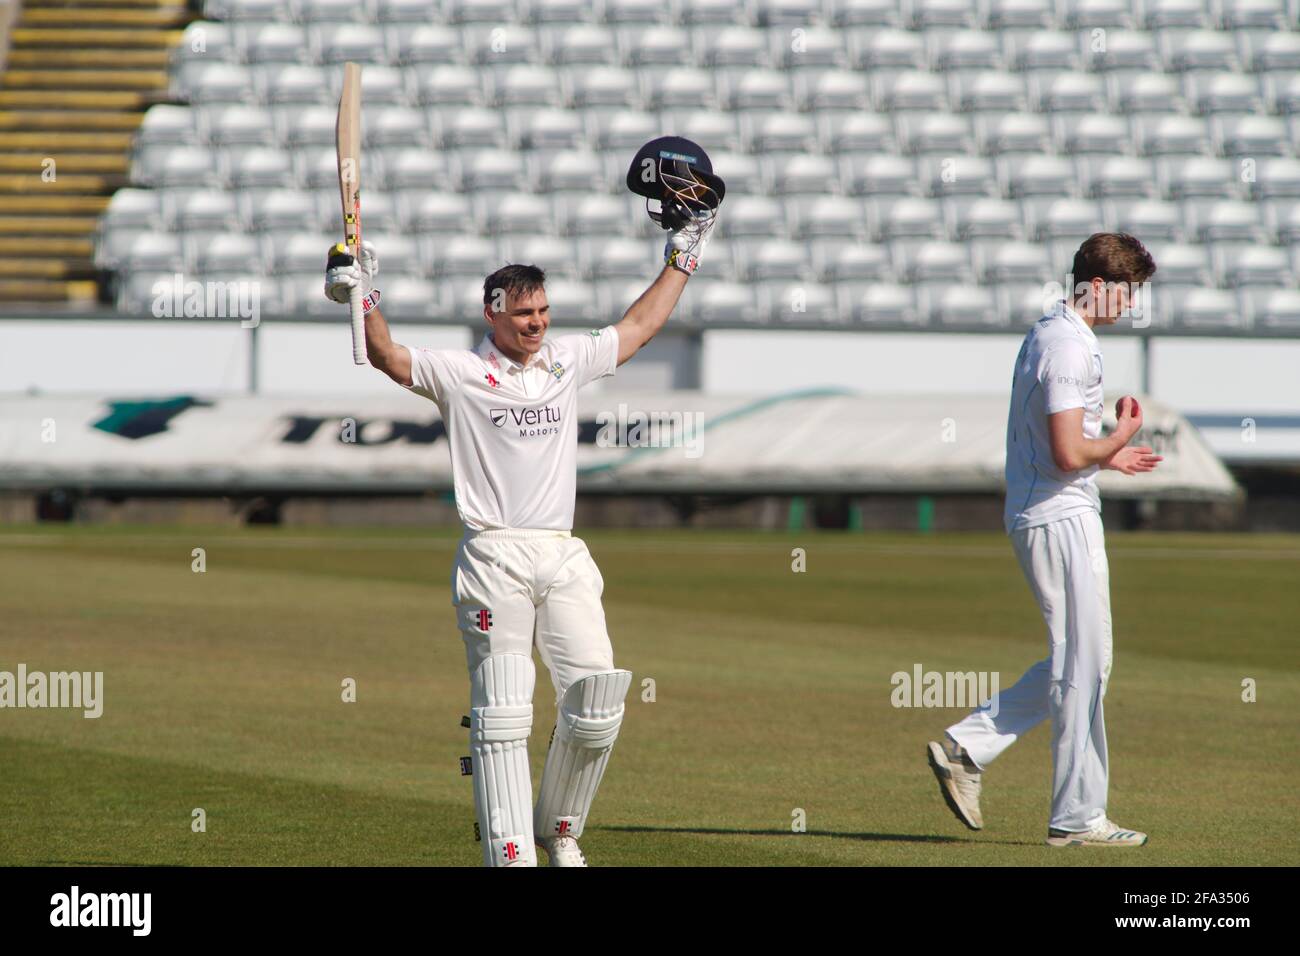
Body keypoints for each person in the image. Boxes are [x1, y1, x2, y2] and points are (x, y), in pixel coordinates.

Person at [322, 205, 718, 866]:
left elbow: (642, 325)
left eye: (543, 312)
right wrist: (362, 292)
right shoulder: (460, 373)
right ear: (493, 315)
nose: (536, 324)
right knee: (504, 714)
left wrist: (684, 253)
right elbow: (388, 356)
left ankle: (559, 830)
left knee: (596, 700)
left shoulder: (566, 360)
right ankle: (512, 856)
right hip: (492, 553)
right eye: (523, 314)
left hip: (560, 550)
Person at [927, 232, 1163, 847]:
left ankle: (968, 749)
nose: (1130, 305)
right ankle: (1077, 818)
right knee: (1084, 661)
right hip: (1058, 515)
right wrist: (1120, 434)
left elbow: (1055, 447)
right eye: (1129, 292)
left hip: (1051, 509)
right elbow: (1064, 454)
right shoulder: (1068, 348)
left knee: (1084, 660)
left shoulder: (1053, 334)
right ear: (1102, 286)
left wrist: (1109, 458)